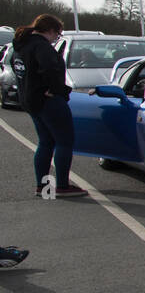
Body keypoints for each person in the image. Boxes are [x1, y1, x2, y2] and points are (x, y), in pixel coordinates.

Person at [10, 13, 87, 198]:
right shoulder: (41, 47)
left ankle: (42, 186)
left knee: (45, 141)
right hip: (48, 101)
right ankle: (62, 185)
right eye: (57, 35)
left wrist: (33, 88)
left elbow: (18, 70)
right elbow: (50, 69)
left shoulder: (21, 46)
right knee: (64, 140)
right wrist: (57, 90)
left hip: (31, 100)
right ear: (51, 31)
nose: (56, 39)